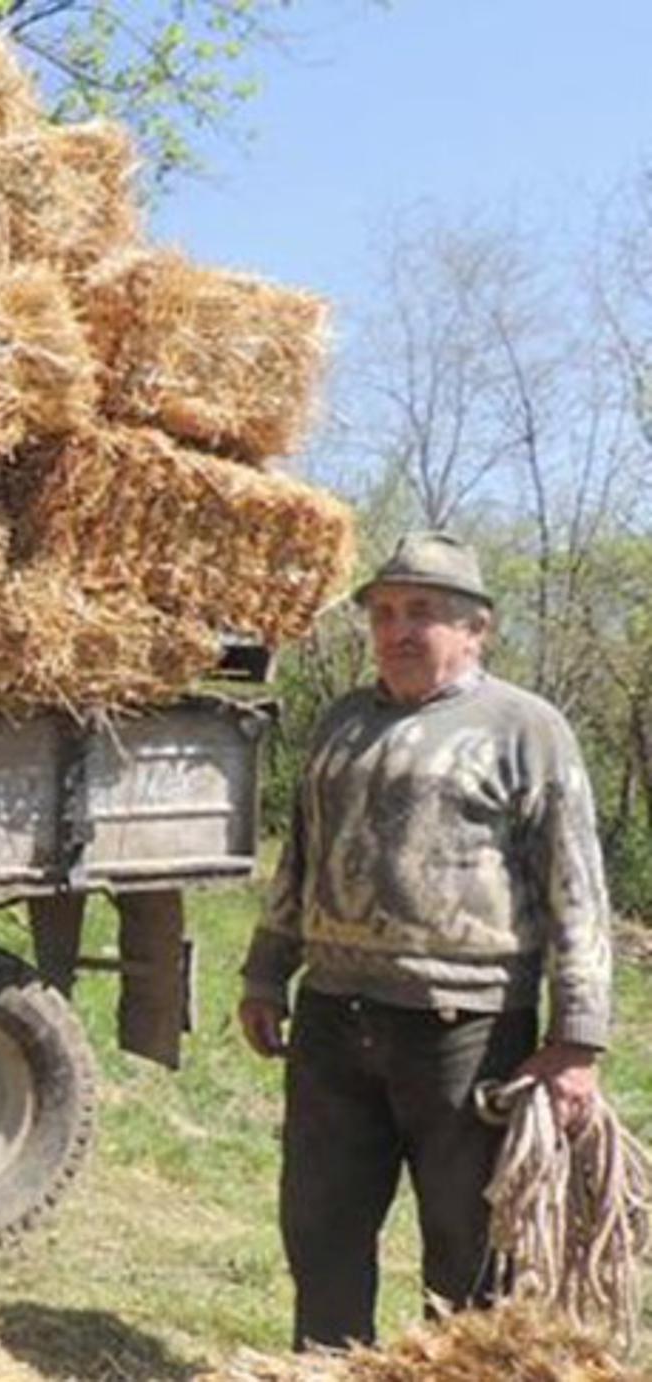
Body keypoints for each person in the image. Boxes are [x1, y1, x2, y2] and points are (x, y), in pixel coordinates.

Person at [236, 530, 613, 1350]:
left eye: (423, 613)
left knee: (470, 1252)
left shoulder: (525, 729)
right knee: (321, 1229)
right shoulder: (342, 722)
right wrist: (267, 971)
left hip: (464, 1030)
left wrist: (575, 1040)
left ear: (476, 628)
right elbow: (299, 856)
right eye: (384, 613)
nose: (398, 630)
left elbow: (575, 889)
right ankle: (326, 1370)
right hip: (333, 1016)